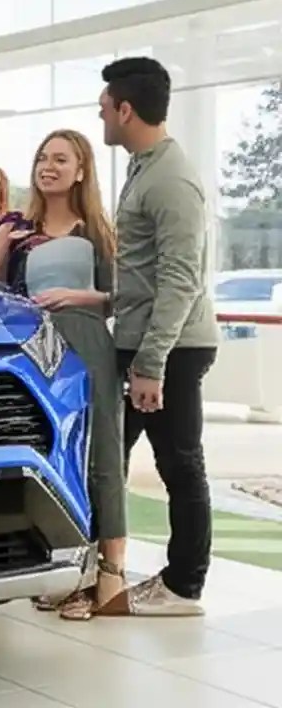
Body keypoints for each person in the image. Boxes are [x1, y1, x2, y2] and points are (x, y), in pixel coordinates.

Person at [0, 129, 129, 620]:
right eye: (43, 157)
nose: (49, 166)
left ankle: (111, 576)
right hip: (32, 353)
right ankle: (64, 569)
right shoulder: (16, 229)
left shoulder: (97, 230)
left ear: (81, 170)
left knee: (101, 451)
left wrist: (80, 297)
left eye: (61, 159)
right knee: (52, 454)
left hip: (87, 344)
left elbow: (122, 296)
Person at [98, 56, 218, 616]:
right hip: (142, 341)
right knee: (108, 458)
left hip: (173, 347)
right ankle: (102, 572)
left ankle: (185, 585)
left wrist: (152, 364)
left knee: (180, 463)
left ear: (125, 109)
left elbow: (180, 277)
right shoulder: (144, 167)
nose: (100, 115)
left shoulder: (172, 177)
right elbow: (144, 276)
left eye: (104, 107)